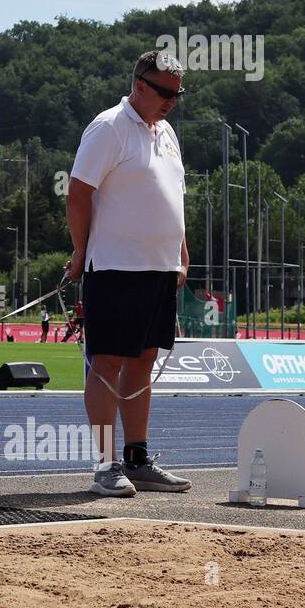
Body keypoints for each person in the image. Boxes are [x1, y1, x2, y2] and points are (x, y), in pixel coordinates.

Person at [67, 49, 192, 498]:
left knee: (143, 362)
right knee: (107, 365)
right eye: (164, 92)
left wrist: (181, 252)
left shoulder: (168, 132)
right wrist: (81, 251)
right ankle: (105, 464)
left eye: (177, 94)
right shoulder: (109, 127)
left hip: (159, 268)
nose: (171, 101)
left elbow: (173, 197)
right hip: (115, 265)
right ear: (139, 84)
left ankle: (137, 459)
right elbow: (78, 193)